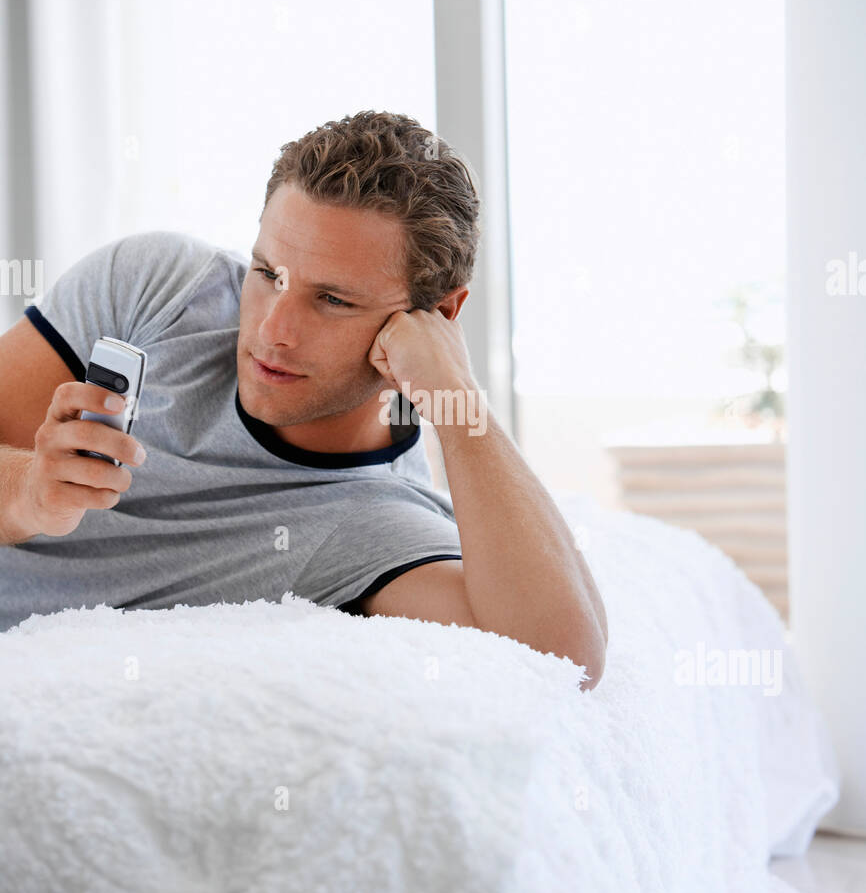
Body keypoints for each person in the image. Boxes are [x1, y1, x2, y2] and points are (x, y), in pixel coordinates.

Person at [0, 109, 606, 683]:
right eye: (267, 275)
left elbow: (564, 656)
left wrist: (459, 402)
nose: (271, 332)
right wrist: (28, 492)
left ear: (439, 315)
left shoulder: (378, 521)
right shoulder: (159, 286)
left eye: (333, 300)